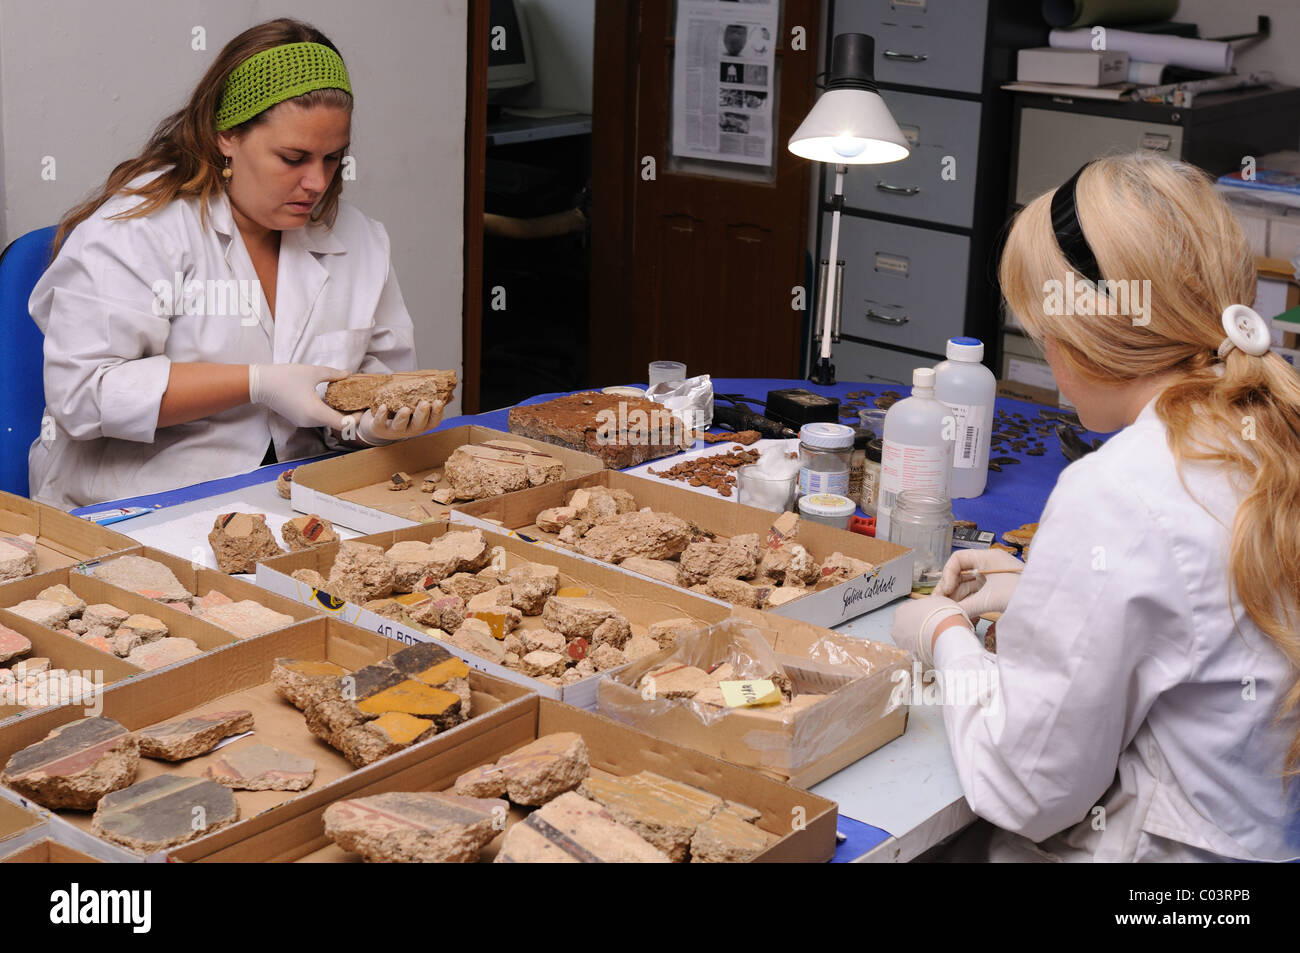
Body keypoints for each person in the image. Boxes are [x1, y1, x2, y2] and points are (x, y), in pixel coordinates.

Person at [891, 153, 1300, 862]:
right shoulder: (1264, 432)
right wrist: (1048, 587)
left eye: (1039, 329)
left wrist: (944, 632)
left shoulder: (1119, 490)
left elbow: (1027, 786)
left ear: (1085, 335)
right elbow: (1203, 617)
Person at [28, 18, 436, 510]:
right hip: (139, 503)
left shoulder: (359, 240)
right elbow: (84, 394)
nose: (317, 182)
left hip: (297, 500)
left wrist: (366, 429)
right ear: (226, 137)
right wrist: (256, 383)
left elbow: (375, 385)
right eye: (293, 157)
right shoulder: (137, 230)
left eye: (332, 158)